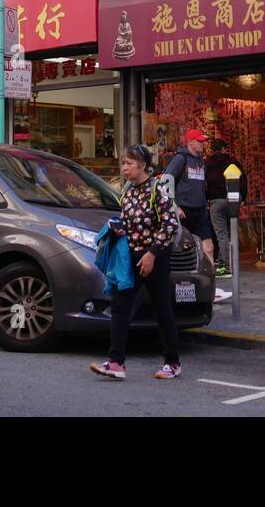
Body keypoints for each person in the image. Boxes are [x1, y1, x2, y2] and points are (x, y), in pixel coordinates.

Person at [91, 144, 182, 381]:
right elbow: (128, 221)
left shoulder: (157, 189)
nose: (124, 168)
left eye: (129, 163)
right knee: (120, 308)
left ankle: (172, 362)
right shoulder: (128, 191)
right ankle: (116, 362)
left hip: (155, 258)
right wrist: (118, 228)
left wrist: (152, 254)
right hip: (130, 258)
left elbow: (169, 225)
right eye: (123, 163)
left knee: (162, 310)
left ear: (143, 166)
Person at [165, 128, 213, 265]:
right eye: (199, 141)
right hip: (183, 211)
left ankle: (210, 281)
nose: (202, 144)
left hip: (200, 210)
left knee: (208, 247)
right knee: (182, 248)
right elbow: (166, 182)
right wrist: (175, 206)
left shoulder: (201, 161)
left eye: (203, 142)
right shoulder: (180, 158)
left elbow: (202, 185)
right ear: (190, 142)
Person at [205, 138, 246, 278]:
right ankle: (230, 263)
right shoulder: (233, 162)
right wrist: (243, 198)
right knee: (232, 232)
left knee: (221, 234)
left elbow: (205, 184)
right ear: (223, 149)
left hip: (216, 201)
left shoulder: (207, 163)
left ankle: (224, 266)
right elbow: (243, 180)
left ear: (211, 149)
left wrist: (207, 199)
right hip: (232, 200)